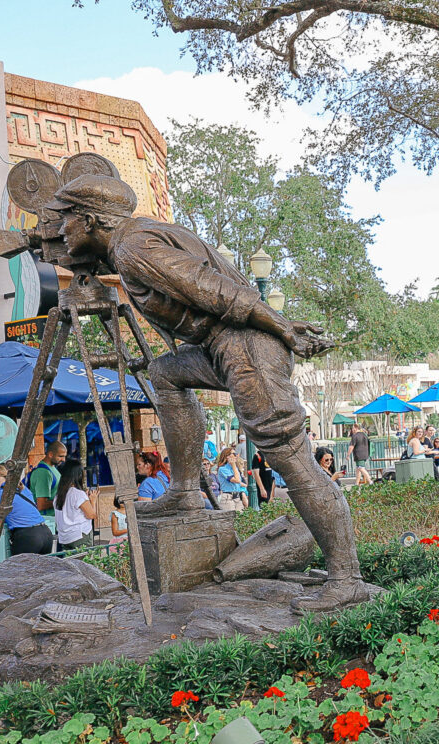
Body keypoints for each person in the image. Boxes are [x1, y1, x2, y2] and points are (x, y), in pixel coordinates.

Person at [47, 172, 373, 608]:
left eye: (64, 220)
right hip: (224, 347)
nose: (59, 231)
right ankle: (184, 491)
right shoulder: (134, 238)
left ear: (89, 220)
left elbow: (215, 292)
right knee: (164, 374)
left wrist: (284, 329)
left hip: (244, 347)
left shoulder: (133, 246)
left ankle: (346, 578)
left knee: (294, 462)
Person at [0, 463, 52, 555]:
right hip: (45, 533)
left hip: (28, 536)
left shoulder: (1, 494)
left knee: (20, 569)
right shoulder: (23, 489)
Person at [55, 462, 97, 551]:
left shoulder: (58, 495)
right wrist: (93, 501)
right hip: (80, 536)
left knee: (70, 563)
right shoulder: (77, 494)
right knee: (83, 564)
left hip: (65, 538)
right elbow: (91, 515)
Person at [29, 439, 67, 515]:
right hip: (46, 520)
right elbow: (41, 505)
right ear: (50, 454)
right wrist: (64, 502)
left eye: (64, 456)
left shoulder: (52, 469)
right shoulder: (43, 473)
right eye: (60, 456)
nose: (63, 460)